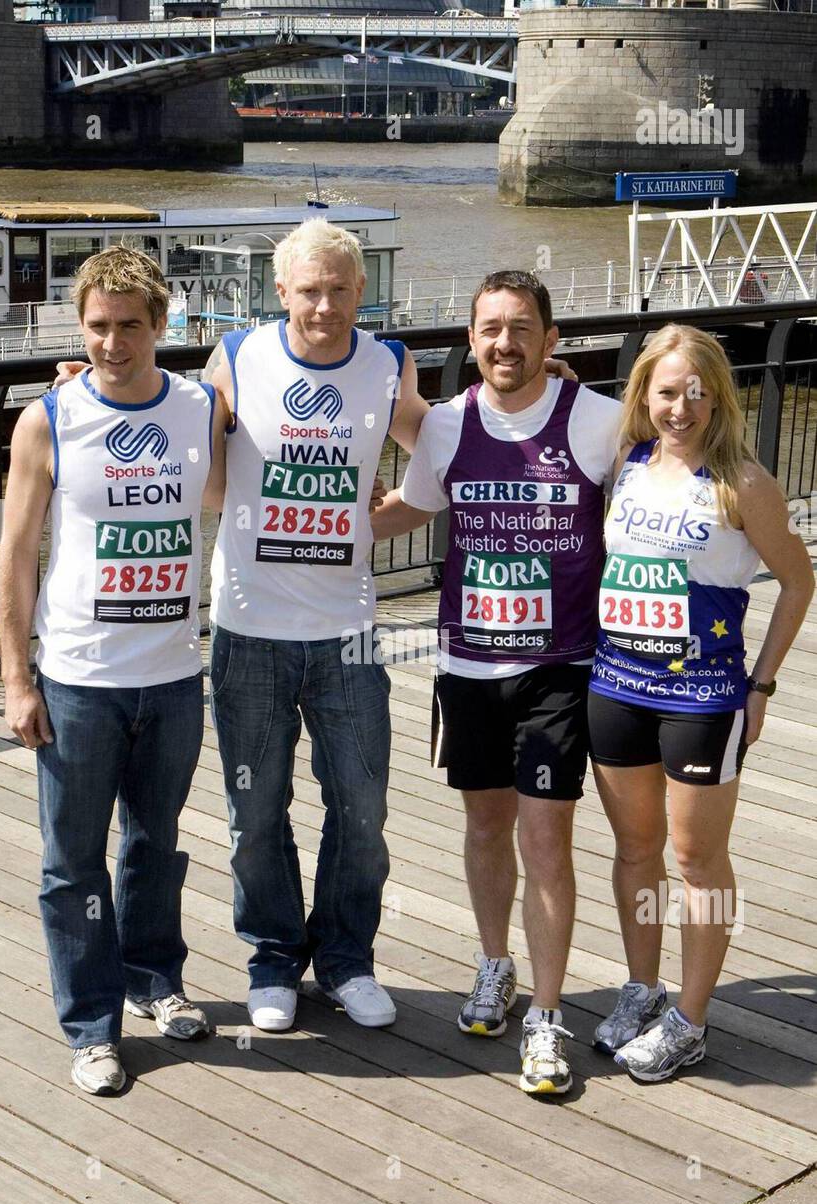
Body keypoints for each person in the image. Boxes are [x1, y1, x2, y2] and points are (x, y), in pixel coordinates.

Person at [372, 269, 622, 1096]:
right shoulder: (445, 427)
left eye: (521, 328)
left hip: (559, 667)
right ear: (470, 340)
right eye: (489, 329)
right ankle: (494, 967)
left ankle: (548, 1017)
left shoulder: (597, 421)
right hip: (468, 665)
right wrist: (276, 529)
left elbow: (674, 475)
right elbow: (412, 505)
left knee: (545, 839)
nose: (504, 343)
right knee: (486, 828)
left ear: (553, 341)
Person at [0, 246, 227, 1096]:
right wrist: (18, 681)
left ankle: (154, 980)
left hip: (170, 677)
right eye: (97, 327)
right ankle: (91, 1025)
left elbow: (286, 434)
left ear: (162, 326)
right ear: (78, 328)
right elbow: (16, 556)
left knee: (155, 844)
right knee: (71, 860)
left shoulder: (200, 410)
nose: (113, 343)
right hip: (79, 681)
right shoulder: (46, 420)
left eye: (131, 326)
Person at [203, 218, 430, 1033]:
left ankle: (345, 960)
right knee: (255, 811)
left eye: (340, 289)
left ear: (362, 291)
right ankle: (272, 960)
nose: (324, 305)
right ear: (280, 291)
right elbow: (188, 462)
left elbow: (442, 459)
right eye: (309, 290)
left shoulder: (389, 365)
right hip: (249, 627)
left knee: (361, 808)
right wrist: (79, 387)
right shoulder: (236, 357)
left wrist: (380, 523)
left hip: (351, 631)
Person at [587, 323, 814, 1081]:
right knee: (634, 851)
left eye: (696, 393)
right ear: (643, 395)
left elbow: (799, 581)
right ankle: (642, 989)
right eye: (666, 391)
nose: (679, 407)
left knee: (696, 859)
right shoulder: (627, 462)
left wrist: (764, 685)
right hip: (617, 683)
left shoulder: (742, 482)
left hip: (701, 697)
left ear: (718, 399)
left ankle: (691, 1017)